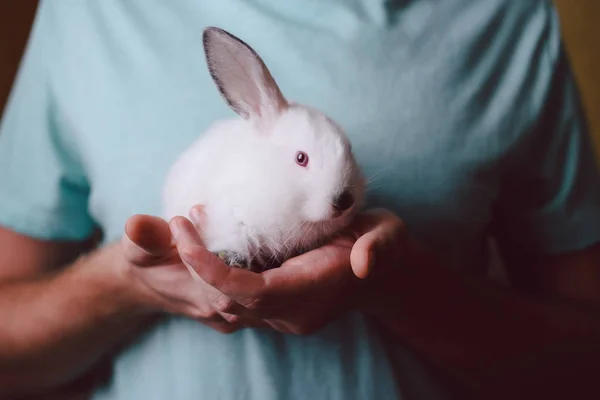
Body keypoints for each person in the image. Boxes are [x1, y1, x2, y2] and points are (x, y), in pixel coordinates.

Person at [0, 0, 599, 399]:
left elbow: (584, 360)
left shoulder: (509, 19)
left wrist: (406, 287)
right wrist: (127, 284)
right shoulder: (88, 15)